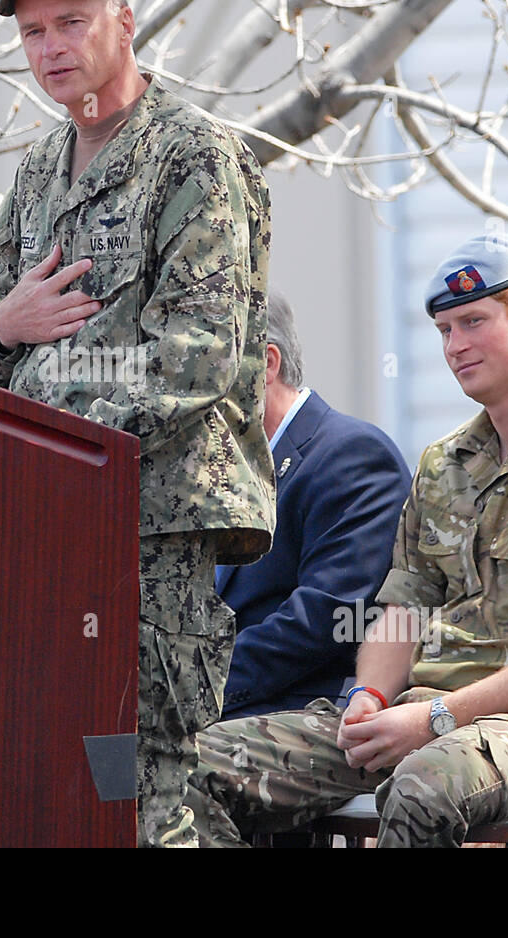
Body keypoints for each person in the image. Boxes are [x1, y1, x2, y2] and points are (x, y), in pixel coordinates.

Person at [187, 233, 508, 847]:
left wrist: (435, 717)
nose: (454, 346)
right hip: (415, 713)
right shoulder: (445, 465)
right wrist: (369, 695)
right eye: (444, 330)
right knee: (184, 765)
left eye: (472, 321)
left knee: (422, 787)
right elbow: (402, 609)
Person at [0, 0, 276, 847]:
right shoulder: (32, 174)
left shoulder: (194, 156)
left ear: (126, 22)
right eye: (32, 33)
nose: (51, 48)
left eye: (72, 21)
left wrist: (69, 450)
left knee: (145, 796)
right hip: (42, 522)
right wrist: (0, 329)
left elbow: (200, 355)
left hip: (148, 523)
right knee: (58, 789)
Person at [216, 291, 409, 719]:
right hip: (229, 705)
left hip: (303, 711)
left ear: (267, 363)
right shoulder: (224, 467)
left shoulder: (352, 455)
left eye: (207, 363)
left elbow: (323, 620)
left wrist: (195, 682)